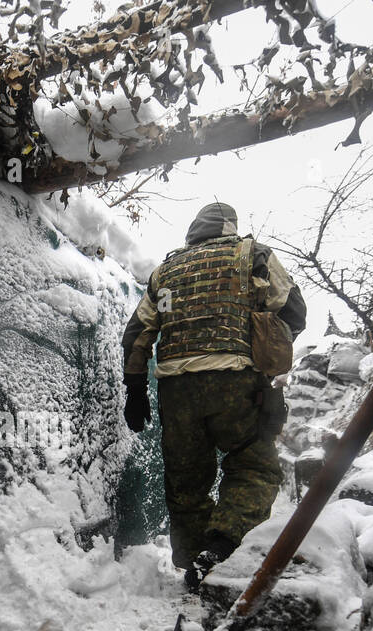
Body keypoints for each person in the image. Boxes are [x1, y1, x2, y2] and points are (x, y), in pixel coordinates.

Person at [121, 202, 307, 589]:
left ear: (193, 231)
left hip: (176, 391)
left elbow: (136, 335)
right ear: (229, 227)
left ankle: (193, 565)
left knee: (186, 481)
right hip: (235, 382)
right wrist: (266, 347)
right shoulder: (252, 254)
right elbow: (294, 311)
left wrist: (136, 391)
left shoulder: (165, 271)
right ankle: (223, 547)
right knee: (254, 466)